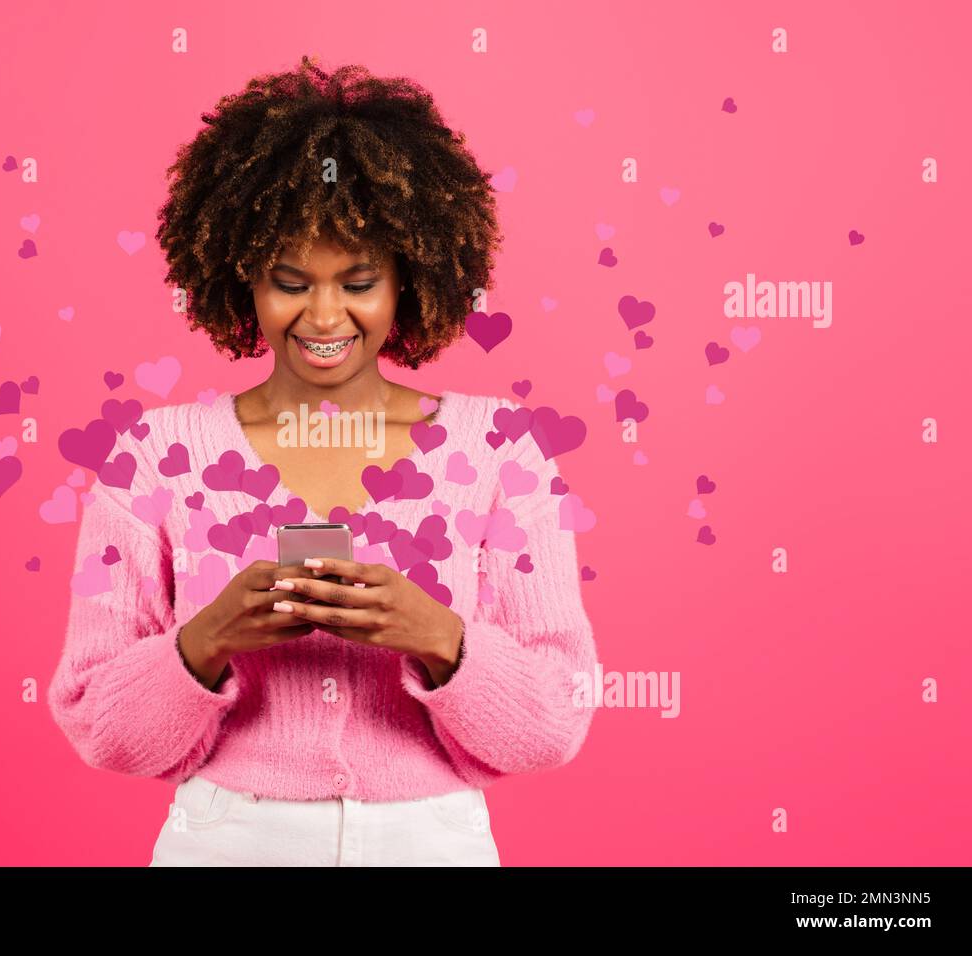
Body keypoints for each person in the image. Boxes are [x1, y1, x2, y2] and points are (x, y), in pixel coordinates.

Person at [47, 55, 598, 866]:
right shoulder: (152, 458)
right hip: (226, 841)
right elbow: (100, 728)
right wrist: (205, 639)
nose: (326, 314)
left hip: (433, 844)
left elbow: (554, 724)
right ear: (241, 280)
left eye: (361, 280)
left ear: (411, 280)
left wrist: (439, 636)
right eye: (291, 281)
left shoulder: (499, 449)